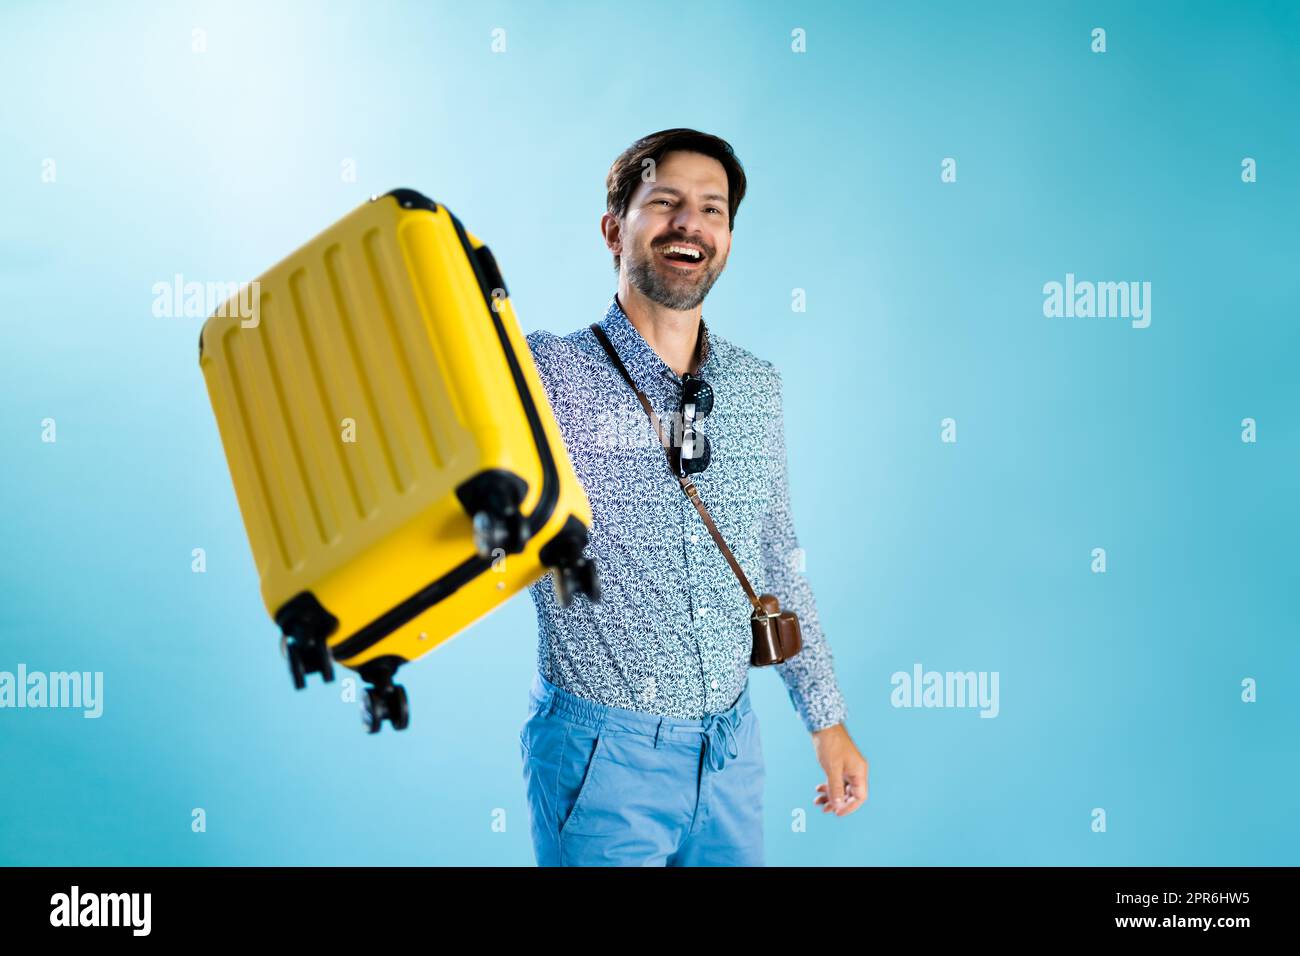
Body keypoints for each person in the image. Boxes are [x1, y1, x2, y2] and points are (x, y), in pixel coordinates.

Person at [519, 128, 868, 866]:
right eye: (666, 202)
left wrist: (826, 719)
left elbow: (776, 557)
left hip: (732, 753)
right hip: (600, 757)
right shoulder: (544, 371)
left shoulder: (755, 387)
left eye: (712, 210)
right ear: (615, 230)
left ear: (729, 239)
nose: (690, 223)